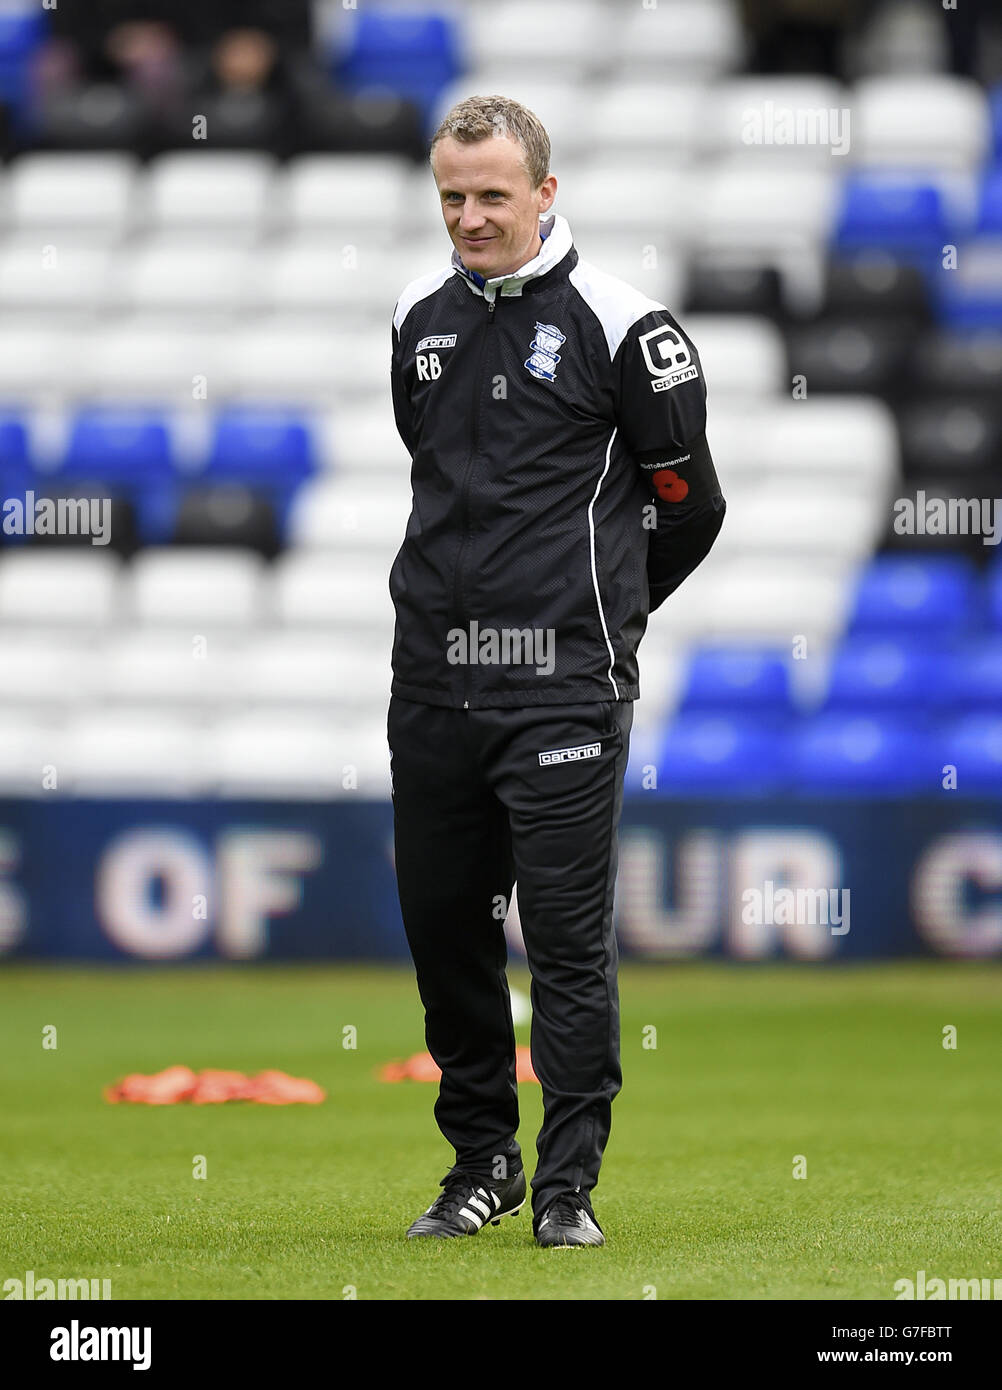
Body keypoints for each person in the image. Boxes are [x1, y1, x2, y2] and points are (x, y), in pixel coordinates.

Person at [387, 95, 725, 1247]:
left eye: (492, 194)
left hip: (563, 691)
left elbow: (693, 507)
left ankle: (568, 1183)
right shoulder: (416, 316)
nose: (471, 216)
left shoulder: (628, 327)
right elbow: (436, 478)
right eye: (452, 195)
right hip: (432, 684)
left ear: (546, 191)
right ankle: (480, 1161)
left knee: (567, 946)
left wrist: (600, 628)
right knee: (445, 932)